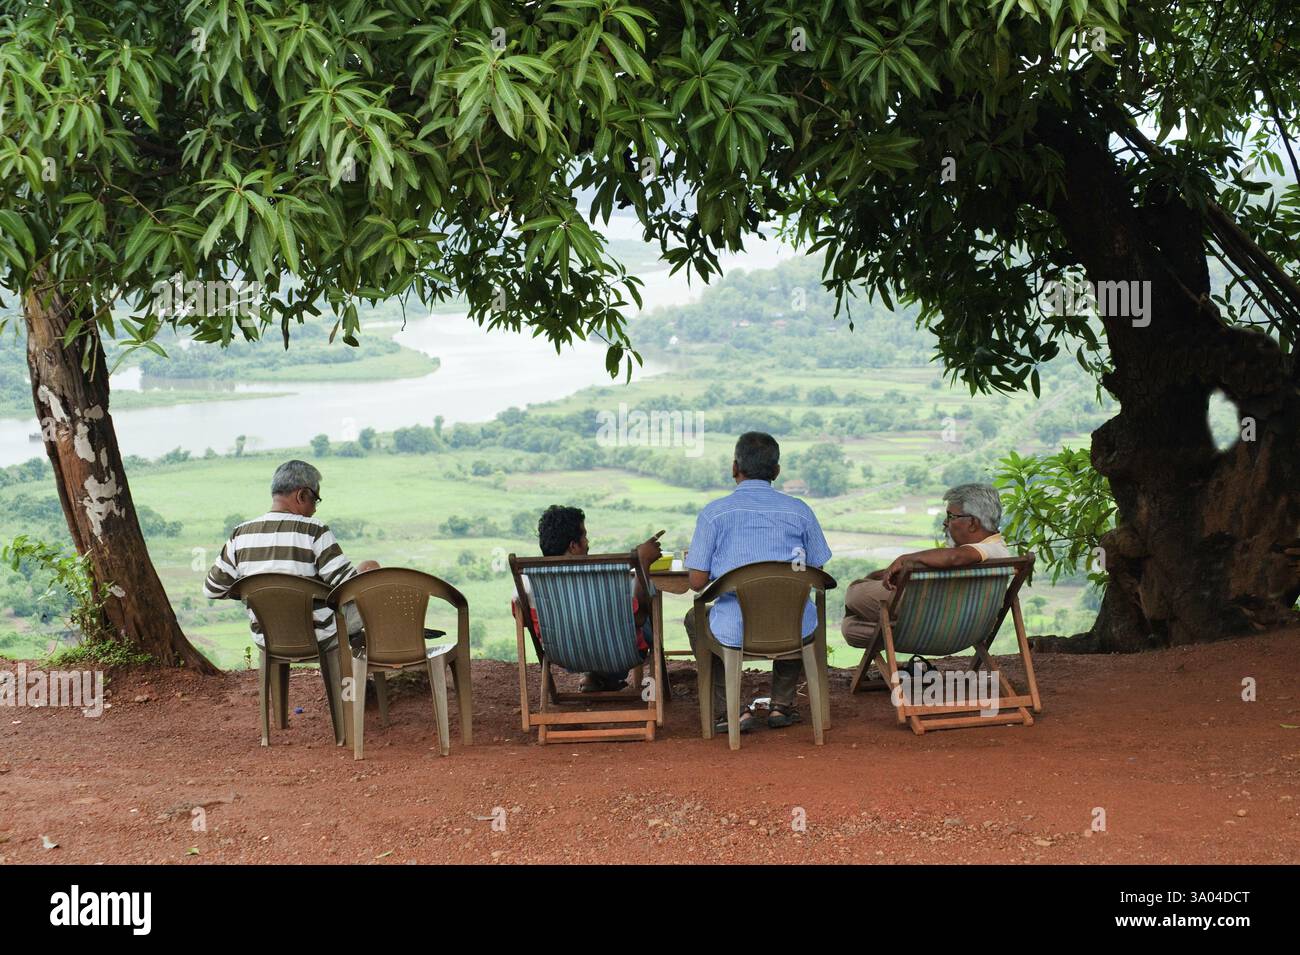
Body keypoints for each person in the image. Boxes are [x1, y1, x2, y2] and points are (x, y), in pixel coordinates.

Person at [684, 432, 832, 733]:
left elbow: (697, 582)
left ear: (734, 467)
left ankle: (733, 712)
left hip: (735, 628)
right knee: (795, 607)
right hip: (793, 627)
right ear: (776, 471)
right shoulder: (800, 510)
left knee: (694, 619)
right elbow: (817, 567)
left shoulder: (715, 514)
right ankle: (781, 706)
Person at [203, 459, 379, 652]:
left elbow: (213, 590)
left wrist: (253, 592)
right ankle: (364, 665)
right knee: (371, 572)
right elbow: (351, 588)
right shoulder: (314, 531)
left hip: (266, 639)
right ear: (302, 495)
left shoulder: (239, 534)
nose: (315, 509)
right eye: (315, 500)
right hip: (319, 637)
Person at [841, 482, 1012, 652]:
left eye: (951, 516)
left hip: (936, 626)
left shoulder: (989, 550)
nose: (945, 523)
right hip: (957, 633)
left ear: (973, 523)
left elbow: (954, 557)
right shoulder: (997, 553)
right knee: (851, 628)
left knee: (854, 593)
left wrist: (905, 559)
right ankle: (901, 632)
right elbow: (952, 558)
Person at [530, 504, 662, 693]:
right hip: (619, 654)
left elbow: (526, 622)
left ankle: (598, 678)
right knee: (647, 608)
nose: (588, 542)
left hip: (562, 656)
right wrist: (643, 563)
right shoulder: (605, 581)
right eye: (584, 536)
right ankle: (617, 680)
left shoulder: (528, 583)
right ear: (573, 545)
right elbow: (639, 619)